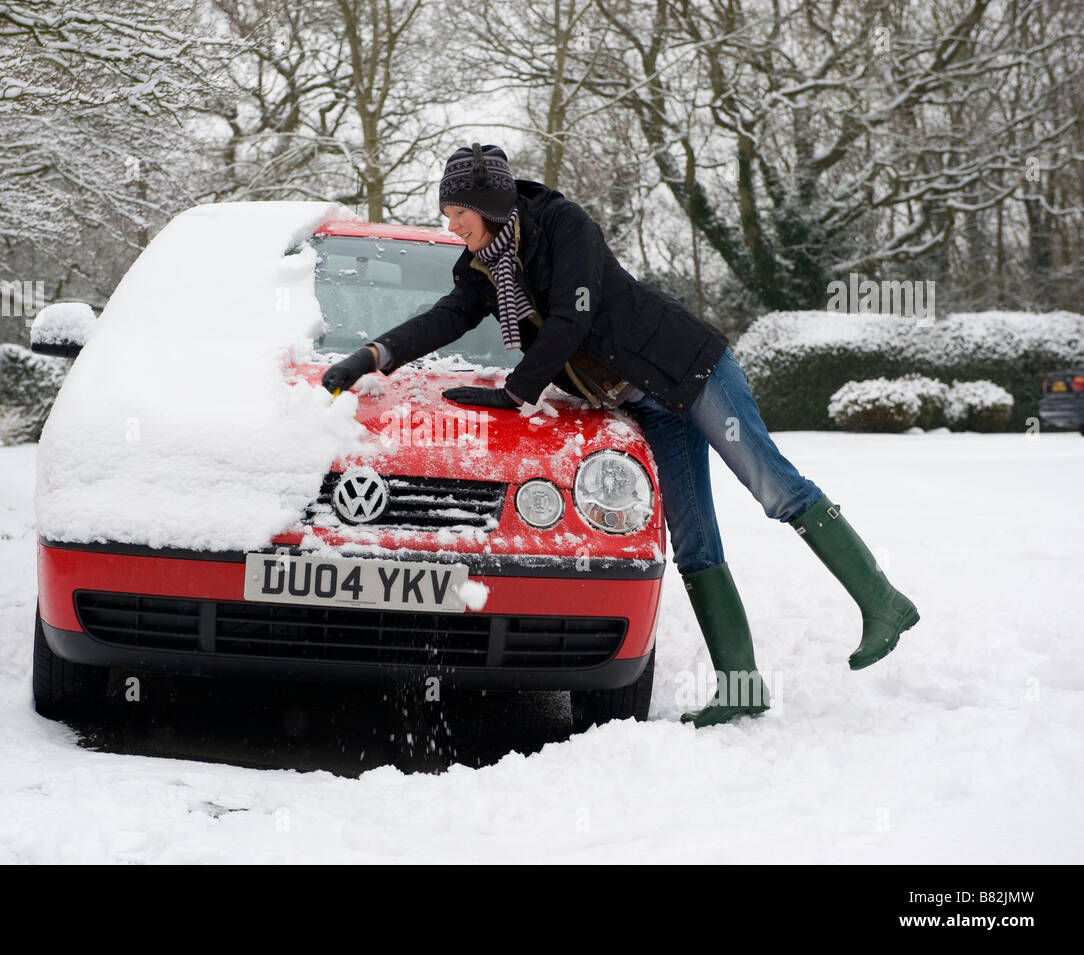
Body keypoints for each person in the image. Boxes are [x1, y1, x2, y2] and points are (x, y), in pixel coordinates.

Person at [321, 143, 920, 728]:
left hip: (690, 370)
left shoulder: (563, 225)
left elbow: (572, 315)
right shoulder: (484, 264)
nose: (452, 226)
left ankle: (884, 602)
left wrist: (517, 390)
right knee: (693, 542)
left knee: (774, 489)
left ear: (489, 205)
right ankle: (742, 685)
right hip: (643, 402)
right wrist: (371, 356)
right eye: (447, 216)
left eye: (458, 214)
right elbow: (447, 317)